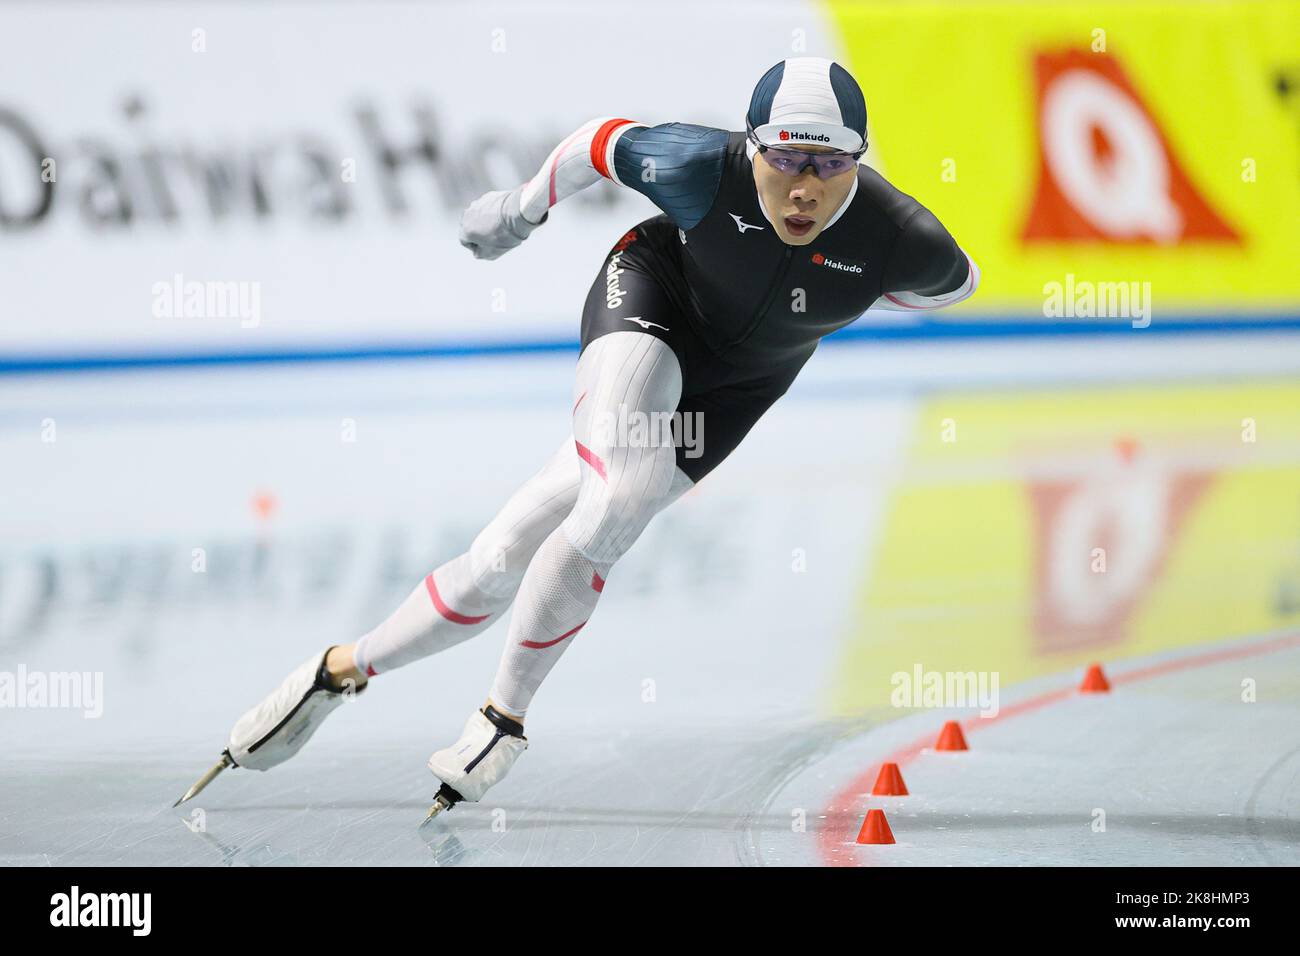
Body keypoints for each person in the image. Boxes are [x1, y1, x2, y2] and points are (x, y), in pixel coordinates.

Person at [176, 57, 979, 816]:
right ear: (751, 143)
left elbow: (960, 287)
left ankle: (334, 672)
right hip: (652, 299)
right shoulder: (702, 165)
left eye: (832, 165)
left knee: (492, 568)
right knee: (620, 496)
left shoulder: (902, 237)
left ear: (860, 162)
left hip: (738, 388)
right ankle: (503, 719)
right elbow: (597, 143)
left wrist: (836, 302)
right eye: (786, 161)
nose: (806, 188)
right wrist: (519, 212)